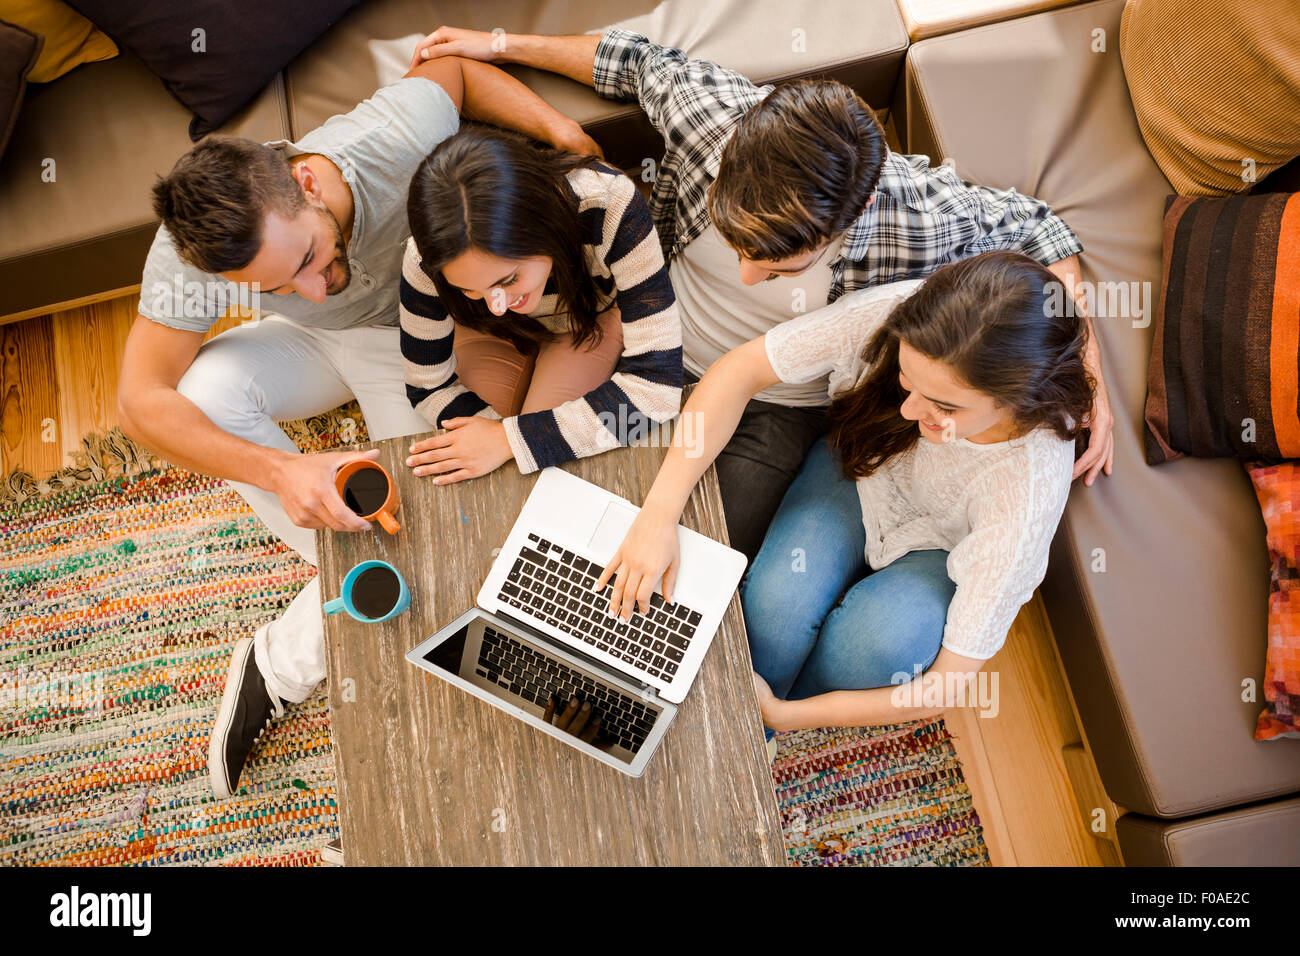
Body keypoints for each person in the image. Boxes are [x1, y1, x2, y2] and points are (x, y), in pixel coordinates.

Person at [407, 26, 1115, 565]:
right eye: (736, 243)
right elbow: (630, 59)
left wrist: (1083, 362)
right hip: (653, 331)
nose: (747, 275)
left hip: (776, 398)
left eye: (774, 268)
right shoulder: (713, 116)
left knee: (697, 559)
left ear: (853, 213)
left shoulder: (920, 219)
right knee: (549, 511)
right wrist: (495, 43)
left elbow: (1037, 225)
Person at [116, 51, 602, 799]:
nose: (313, 286)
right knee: (206, 387)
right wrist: (280, 471)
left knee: (436, 494)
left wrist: (557, 126)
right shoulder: (197, 256)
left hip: (413, 341)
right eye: (277, 286)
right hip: (309, 352)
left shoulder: (395, 135)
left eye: (310, 255)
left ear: (307, 180)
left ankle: (280, 661)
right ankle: (368, 573)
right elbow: (140, 399)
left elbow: (456, 72)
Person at [591, 251, 1093, 741]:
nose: (910, 409)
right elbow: (738, 372)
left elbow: (945, 685)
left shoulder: (1025, 493)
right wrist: (659, 513)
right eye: (906, 380)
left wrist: (787, 716)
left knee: (876, 647)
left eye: (942, 405)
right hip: (864, 468)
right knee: (774, 610)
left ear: (1021, 400)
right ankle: (706, 717)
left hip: (940, 547)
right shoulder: (900, 313)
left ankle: (760, 728)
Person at [398, 127, 681, 480]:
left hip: (585, 323)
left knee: (543, 470)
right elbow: (427, 385)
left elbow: (657, 390)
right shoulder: (426, 258)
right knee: (484, 468)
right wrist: (503, 440)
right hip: (491, 336)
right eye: (468, 289)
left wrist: (510, 440)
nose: (496, 305)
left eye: (507, 280)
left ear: (542, 225)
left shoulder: (610, 204)